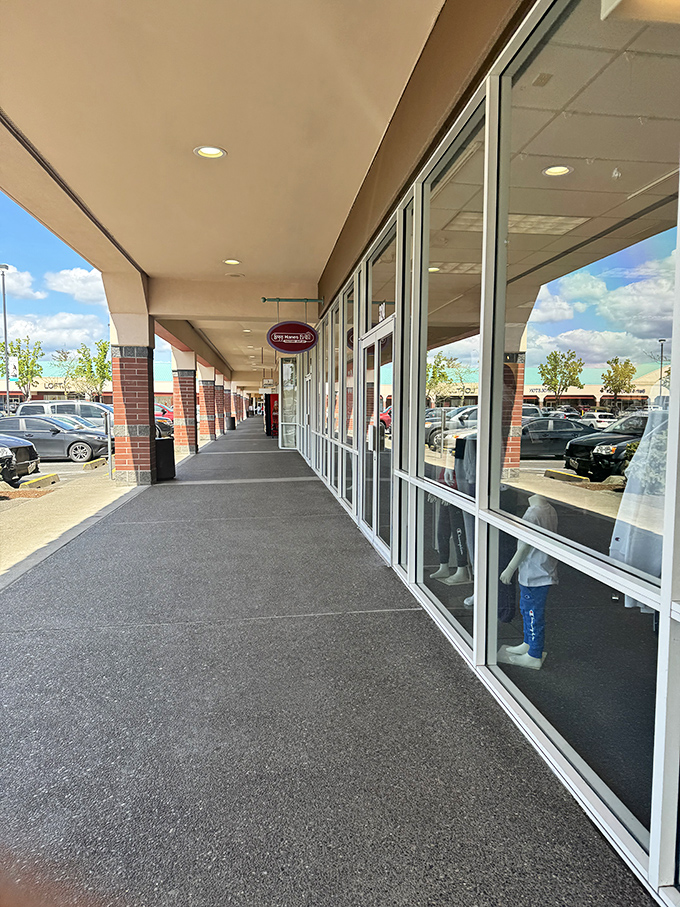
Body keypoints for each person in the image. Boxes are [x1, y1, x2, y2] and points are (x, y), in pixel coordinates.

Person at [497, 494, 558, 670]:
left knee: (533, 614)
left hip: (535, 574)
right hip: (539, 570)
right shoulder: (549, 509)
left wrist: (510, 568)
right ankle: (528, 643)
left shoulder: (532, 515)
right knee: (526, 609)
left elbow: (524, 547)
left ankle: (534, 654)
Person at [429, 468, 471, 585]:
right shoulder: (449, 454)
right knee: (442, 532)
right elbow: (444, 472)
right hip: (446, 494)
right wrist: (438, 488)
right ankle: (443, 566)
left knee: (458, 534)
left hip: (456, 496)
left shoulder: (458, 454)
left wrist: (451, 493)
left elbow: (462, 475)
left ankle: (462, 569)